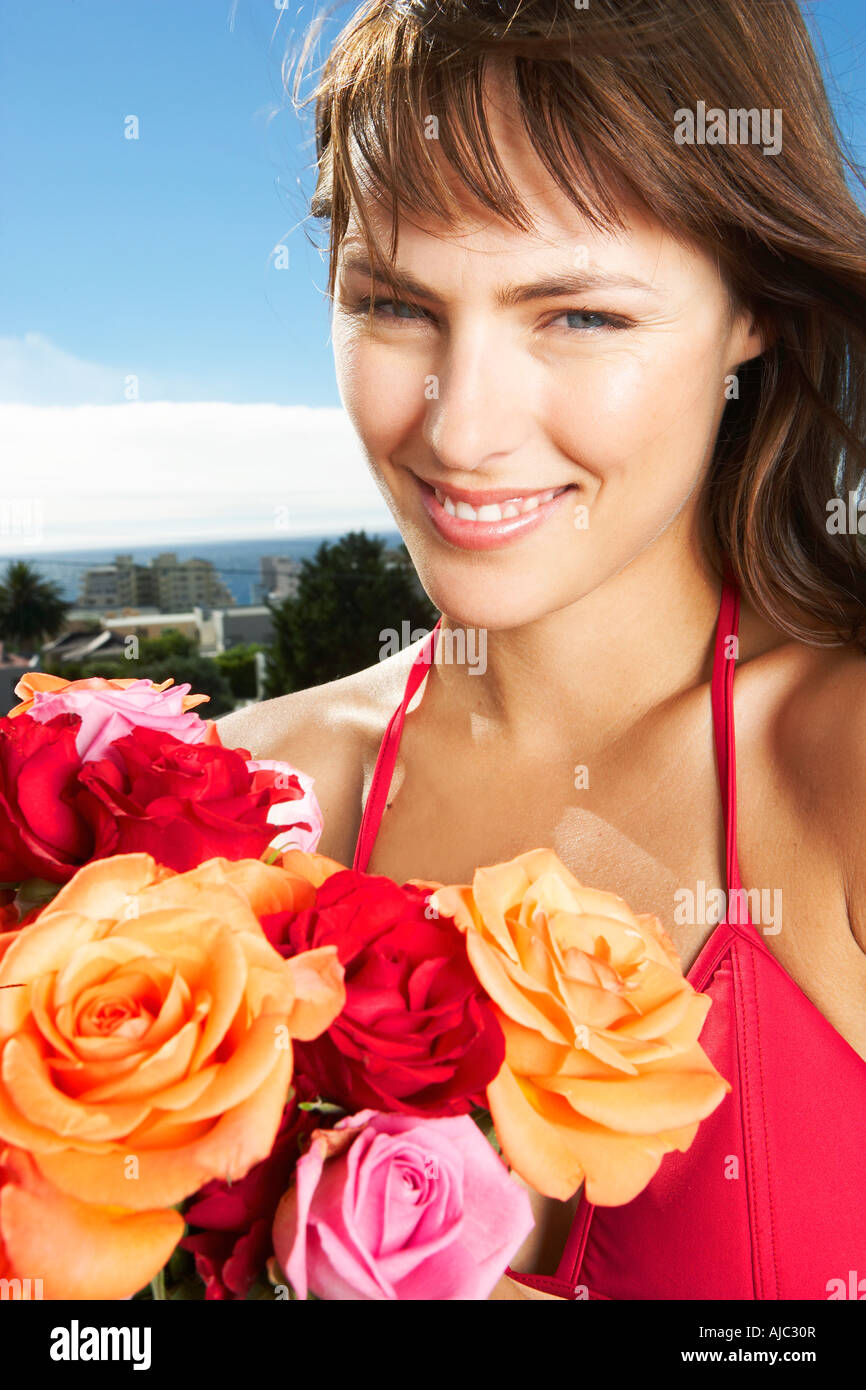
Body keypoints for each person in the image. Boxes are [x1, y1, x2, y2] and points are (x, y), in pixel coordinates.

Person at [219, 0, 866, 1299]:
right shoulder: (240, 797)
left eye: (575, 316)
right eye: (396, 303)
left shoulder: (840, 765)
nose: (461, 431)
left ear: (752, 310)